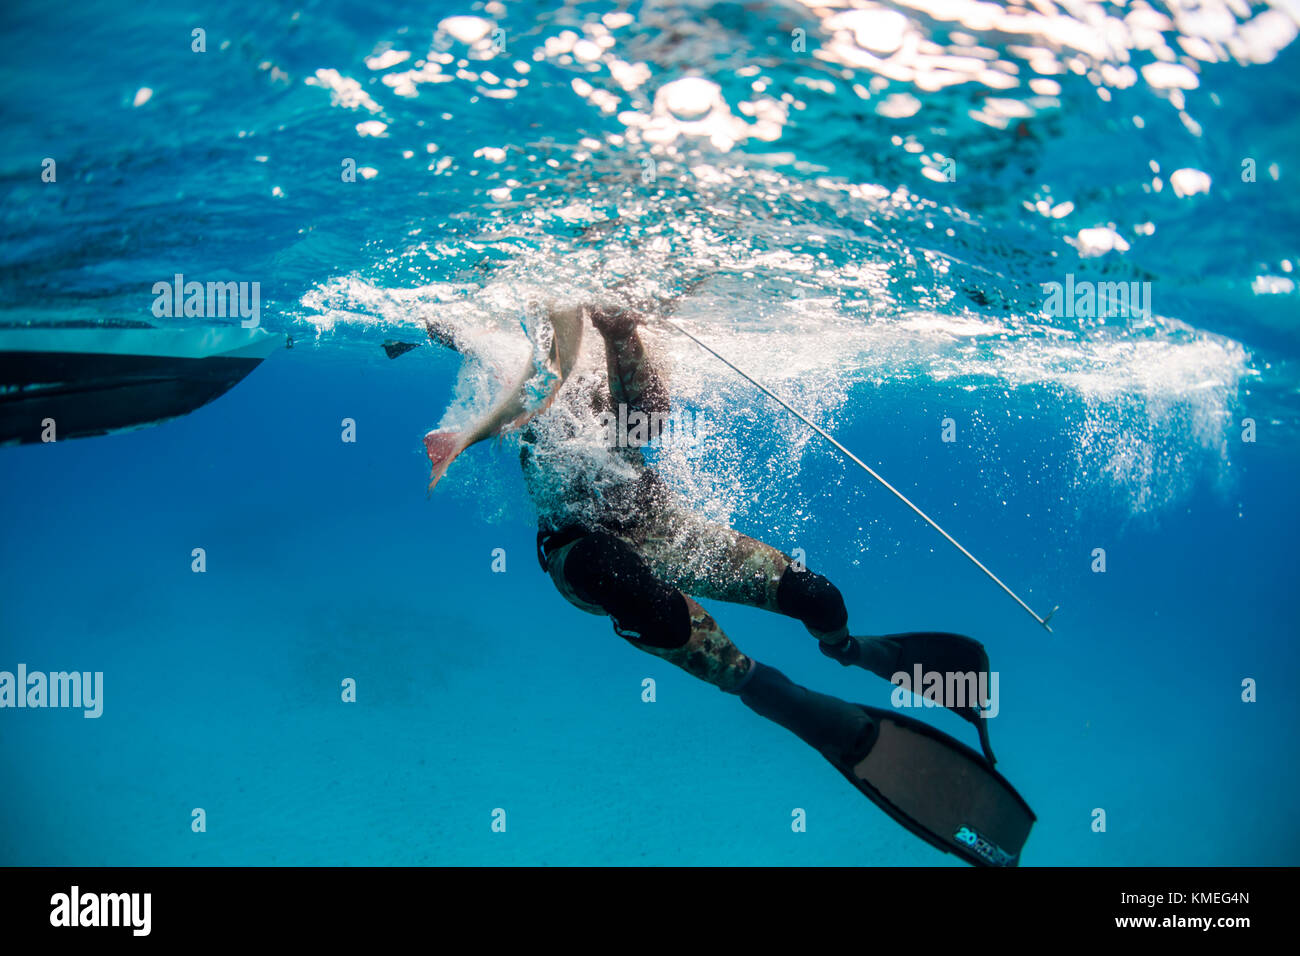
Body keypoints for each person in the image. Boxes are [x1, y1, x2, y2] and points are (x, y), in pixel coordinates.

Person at [424, 299, 1036, 867]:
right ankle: (787, 702)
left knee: (816, 596)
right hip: (580, 551)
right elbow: (489, 356)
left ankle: (859, 652)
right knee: (640, 594)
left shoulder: (606, 351)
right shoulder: (529, 366)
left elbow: (648, 419)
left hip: (655, 520)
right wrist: (448, 358)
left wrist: (621, 330)